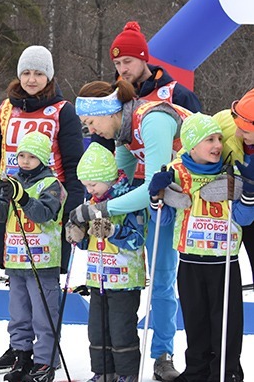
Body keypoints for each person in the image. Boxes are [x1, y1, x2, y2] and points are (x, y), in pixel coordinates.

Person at [70, 79, 189, 381]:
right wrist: (94, 209)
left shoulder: (152, 120)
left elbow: (153, 185)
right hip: (163, 197)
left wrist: (99, 210)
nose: (91, 131)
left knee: (162, 279)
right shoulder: (122, 132)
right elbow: (121, 185)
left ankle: (163, 355)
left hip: (187, 197)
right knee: (158, 275)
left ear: (109, 111)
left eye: (91, 122)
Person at [0, 45, 84, 372]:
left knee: (42, 287)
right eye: (26, 72)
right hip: (9, 204)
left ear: (49, 76)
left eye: (38, 73)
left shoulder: (62, 111)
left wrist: (72, 210)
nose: (31, 79)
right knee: (17, 284)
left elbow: (72, 162)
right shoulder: (4, 110)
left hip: (46, 205)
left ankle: (43, 355)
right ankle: (19, 347)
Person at [146, 114, 254, 382]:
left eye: (219, 138)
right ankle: (197, 371)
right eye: (209, 140)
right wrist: (155, 196)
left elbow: (243, 218)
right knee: (195, 320)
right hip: (191, 260)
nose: (218, 145)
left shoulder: (230, 172)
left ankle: (226, 371)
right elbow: (164, 218)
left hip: (224, 262)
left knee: (226, 322)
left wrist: (248, 192)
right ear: (192, 146)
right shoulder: (177, 172)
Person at [0, 131, 65, 382]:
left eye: (32, 157)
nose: (26, 161)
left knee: (44, 314)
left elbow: (42, 214)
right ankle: (21, 353)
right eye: (21, 156)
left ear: (43, 159)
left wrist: (23, 196)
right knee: (18, 313)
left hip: (43, 261)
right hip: (16, 259)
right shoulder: (12, 180)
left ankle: (45, 361)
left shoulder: (52, 184)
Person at [65, 143, 147, 382]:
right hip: (98, 277)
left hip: (124, 280)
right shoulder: (91, 204)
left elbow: (138, 240)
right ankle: (103, 372)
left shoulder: (128, 201)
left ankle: (127, 373)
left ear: (109, 178)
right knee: (97, 330)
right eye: (86, 185)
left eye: (93, 184)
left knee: (121, 330)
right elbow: (86, 240)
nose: (90, 190)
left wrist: (114, 230)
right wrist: (77, 235)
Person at [109, 21, 202, 113]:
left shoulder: (178, 95)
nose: (122, 69)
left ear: (143, 59)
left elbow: (200, 127)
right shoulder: (112, 97)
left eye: (127, 61)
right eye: (117, 63)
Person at [213, 87, 254, 282]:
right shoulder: (224, 121)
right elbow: (191, 148)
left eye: (245, 130)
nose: (238, 133)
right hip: (234, 208)